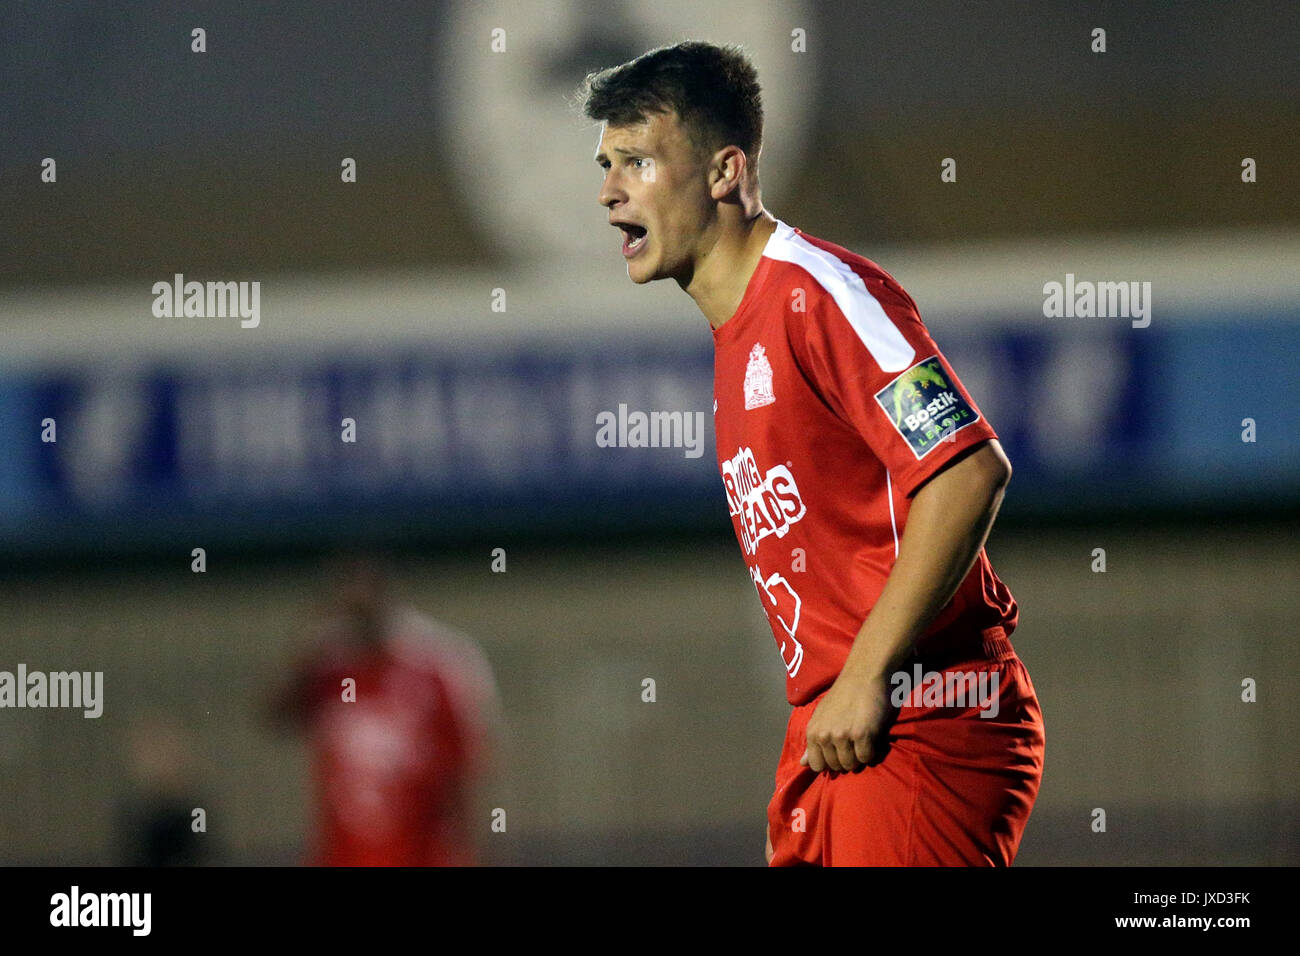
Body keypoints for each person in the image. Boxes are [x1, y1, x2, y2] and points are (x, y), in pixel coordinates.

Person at [579, 41, 1045, 866]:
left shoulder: (815, 294)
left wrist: (864, 679)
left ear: (725, 172)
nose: (610, 189)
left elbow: (969, 472)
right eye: (607, 164)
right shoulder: (735, 336)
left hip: (925, 711)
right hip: (840, 726)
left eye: (639, 162)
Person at [268, 553, 499, 866]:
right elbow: (276, 717)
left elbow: (467, 771)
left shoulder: (435, 668)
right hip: (344, 855)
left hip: (421, 855)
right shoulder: (328, 670)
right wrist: (309, 642)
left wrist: (470, 852)